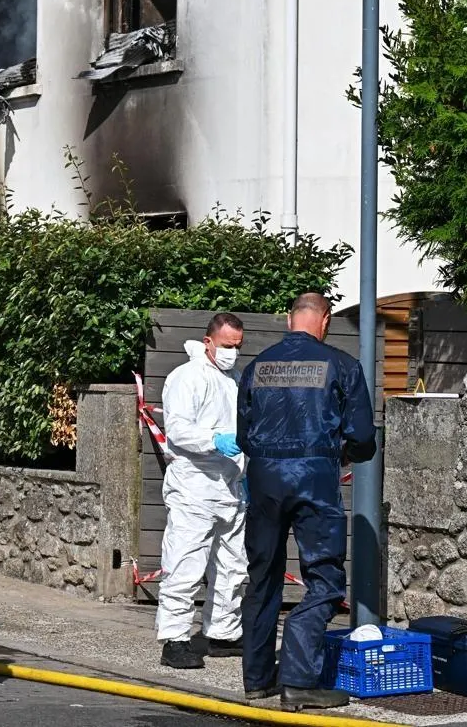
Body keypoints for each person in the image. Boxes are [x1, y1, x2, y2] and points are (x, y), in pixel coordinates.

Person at [237, 293, 375, 711]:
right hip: (313, 478)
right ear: (326, 320)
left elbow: (243, 436)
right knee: (325, 580)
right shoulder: (342, 365)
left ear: (288, 319)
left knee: (262, 576)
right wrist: (342, 454)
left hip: (263, 478)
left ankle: (257, 679)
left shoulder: (256, 366)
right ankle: (298, 682)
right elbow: (363, 437)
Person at [155, 312, 248, 670]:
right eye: (227, 345)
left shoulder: (234, 380)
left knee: (233, 565)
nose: (232, 353)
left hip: (230, 483)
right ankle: (175, 639)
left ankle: (223, 632)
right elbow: (178, 430)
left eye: (237, 346)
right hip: (194, 483)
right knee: (185, 562)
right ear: (208, 341)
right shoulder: (186, 377)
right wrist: (214, 440)